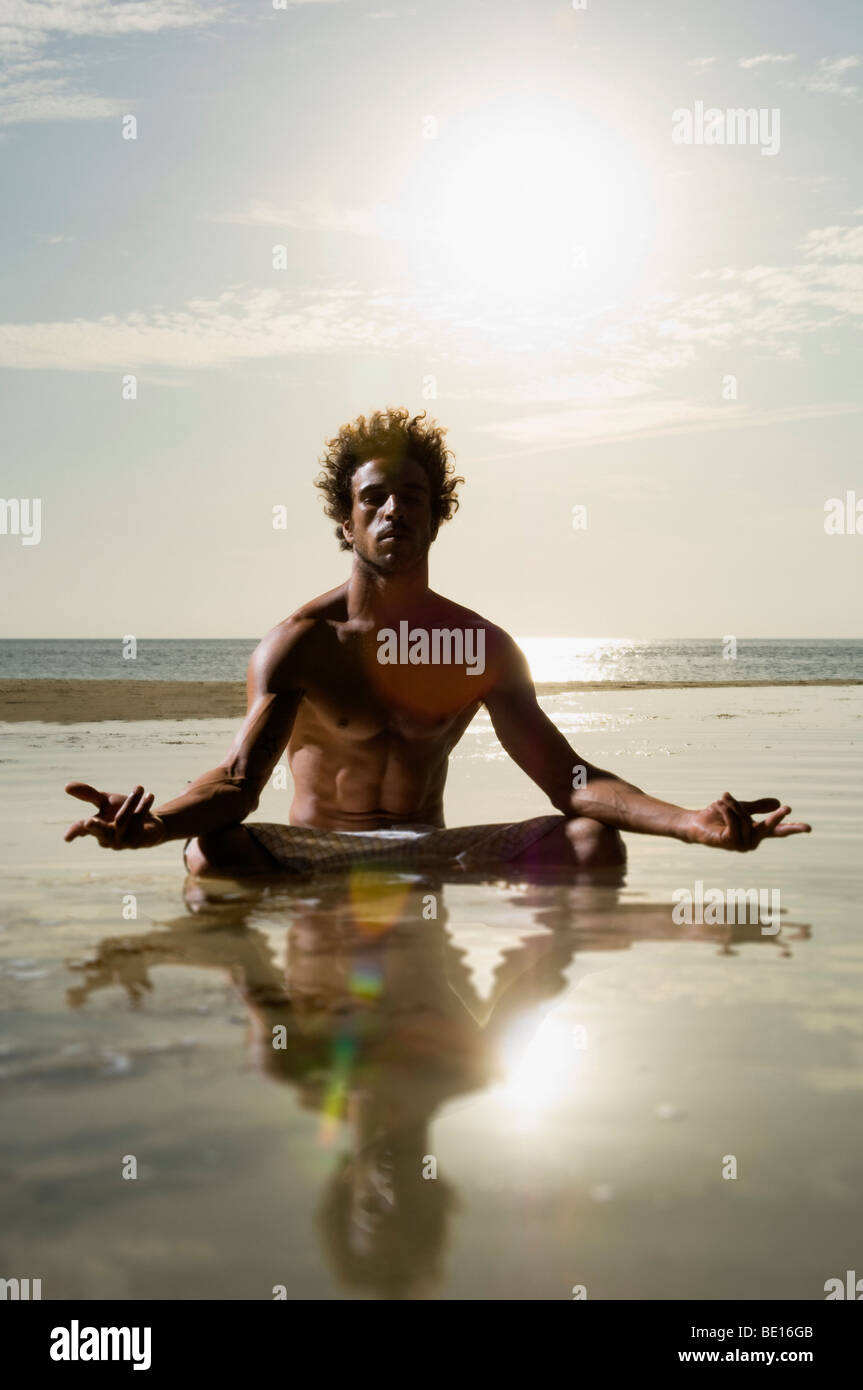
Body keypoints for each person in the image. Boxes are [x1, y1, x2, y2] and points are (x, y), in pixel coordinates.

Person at [64, 408, 811, 876]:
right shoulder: (300, 644)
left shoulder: (478, 645)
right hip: (314, 858)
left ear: (436, 515)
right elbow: (236, 785)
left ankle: (527, 1013)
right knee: (213, 849)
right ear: (345, 523)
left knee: (590, 843)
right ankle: (265, 969)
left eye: (412, 497)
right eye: (373, 499)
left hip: (435, 853)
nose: (394, 510)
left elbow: (568, 780)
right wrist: (154, 826)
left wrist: (690, 823)